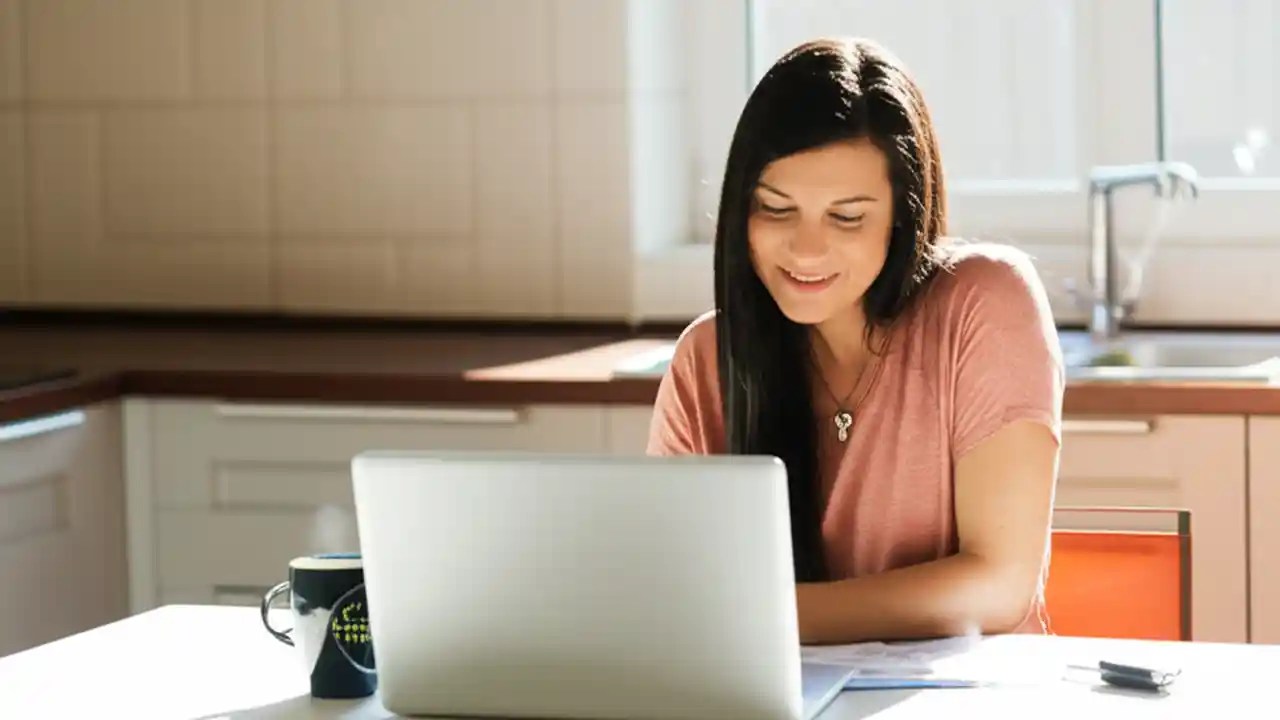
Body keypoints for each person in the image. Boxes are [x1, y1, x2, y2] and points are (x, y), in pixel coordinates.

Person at [646, 37, 1064, 645]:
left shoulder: (985, 302)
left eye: (847, 217)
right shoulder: (707, 359)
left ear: (902, 216)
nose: (807, 248)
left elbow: (1000, 586)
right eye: (776, 209)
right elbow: (671, 592)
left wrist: (761, 618)